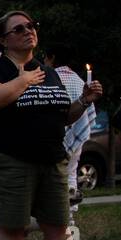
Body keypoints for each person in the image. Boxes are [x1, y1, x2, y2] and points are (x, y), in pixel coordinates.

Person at [0, 11, 104, 240]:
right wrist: (22, 81)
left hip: (52, 159)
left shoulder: (51, 72)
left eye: (31, 26)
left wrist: (83, 101)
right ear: (3, 40)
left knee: (59, 226)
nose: (27, 31)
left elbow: (61, 117)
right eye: (18, 29)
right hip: (12, 160)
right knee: (12, 227)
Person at [42, 45, 94, 205]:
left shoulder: (48, 78)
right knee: (71, 171)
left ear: (51, 58)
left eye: (45, 57)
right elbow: (88, 111)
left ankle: (53, 211)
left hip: (52, 137)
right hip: (76, 134)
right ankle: (70, 216)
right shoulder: (79, 81)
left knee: (51, 176)